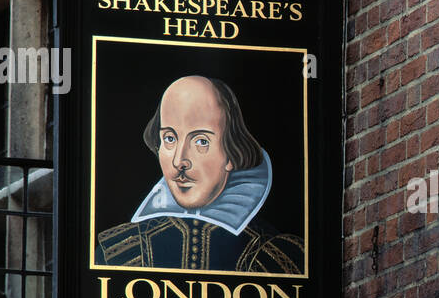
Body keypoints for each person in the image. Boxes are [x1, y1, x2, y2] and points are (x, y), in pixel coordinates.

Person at [94, 74, 306, 273]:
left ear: (232, 153)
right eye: (169, 138)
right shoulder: (117, 253)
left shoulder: (276, 257)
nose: (179, 161)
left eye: (201, 141)